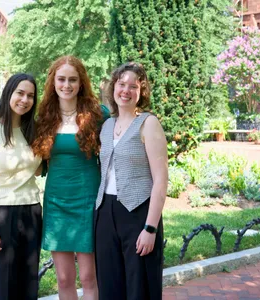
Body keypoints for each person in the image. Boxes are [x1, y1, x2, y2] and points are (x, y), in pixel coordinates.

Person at [32, 56, 109, 300]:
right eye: (62, 79)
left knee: (89, 277)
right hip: (56, 202)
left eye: (73, 80)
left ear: (81, 83)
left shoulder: (98, 115)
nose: (67, 85)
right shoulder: (44, 118)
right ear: (53, 82)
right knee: (64, 278)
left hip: (87, 201)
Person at [94, 62, 168, 300]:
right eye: (121, 84)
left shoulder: (148, 123)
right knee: (109, 284)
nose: (125, 90)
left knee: (139, 287)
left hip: (138, 213)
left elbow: (160, 180)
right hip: (105, 212)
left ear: (141, 92)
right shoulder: (106, 126)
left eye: (133, 86)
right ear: (114, 87)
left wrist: (150, 228)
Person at [0, 73, 42, 300]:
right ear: (9, 94)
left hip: (32, 211)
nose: (25, 100)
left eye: (30, 96)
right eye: (20, 93)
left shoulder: (35, 130)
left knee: (28, 281)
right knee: (1, 283)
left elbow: (38, 170)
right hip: (3, 213)